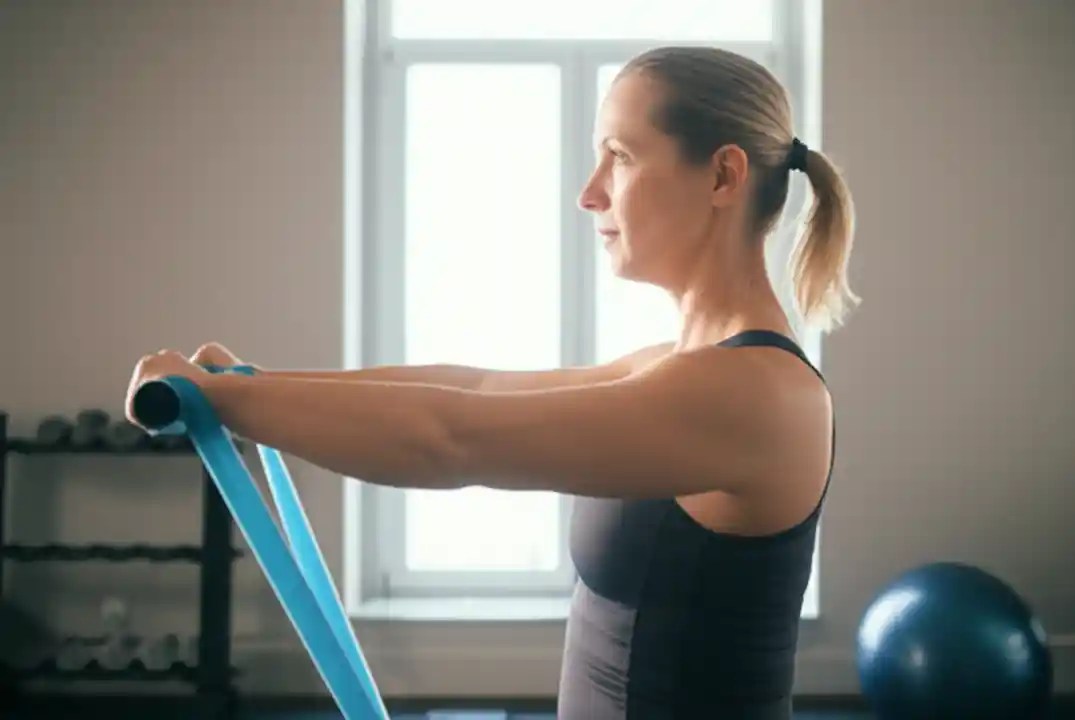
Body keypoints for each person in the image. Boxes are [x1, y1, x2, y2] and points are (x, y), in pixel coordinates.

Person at [125, 45, 856, 719]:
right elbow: (474, 390)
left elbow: (452, 439)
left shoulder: (756, 395)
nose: (590, 194)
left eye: (620, 157)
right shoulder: (672, 367)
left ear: (724, 175)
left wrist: (236, 402)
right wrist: (257, 384)